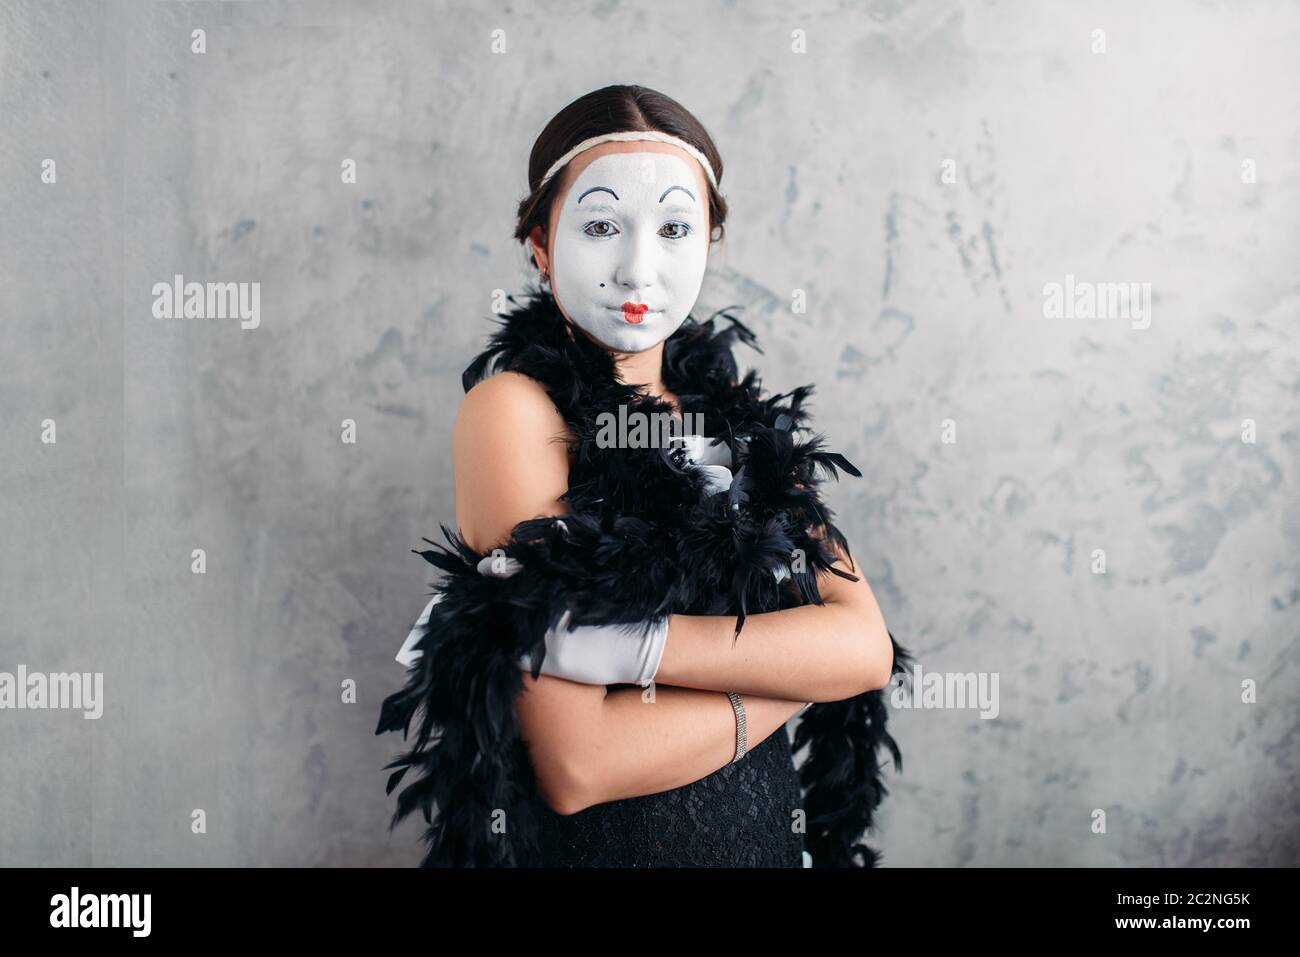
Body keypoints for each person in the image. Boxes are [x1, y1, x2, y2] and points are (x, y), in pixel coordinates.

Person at [387, 84, 898, 867]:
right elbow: (579, 763)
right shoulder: (517, 412)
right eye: (600, 226)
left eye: (673, 227)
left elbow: (865, 647)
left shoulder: (736, 424)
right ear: (541, 246)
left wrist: (639, 649)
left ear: (709, 243)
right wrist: (796, 676)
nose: (637, 267)